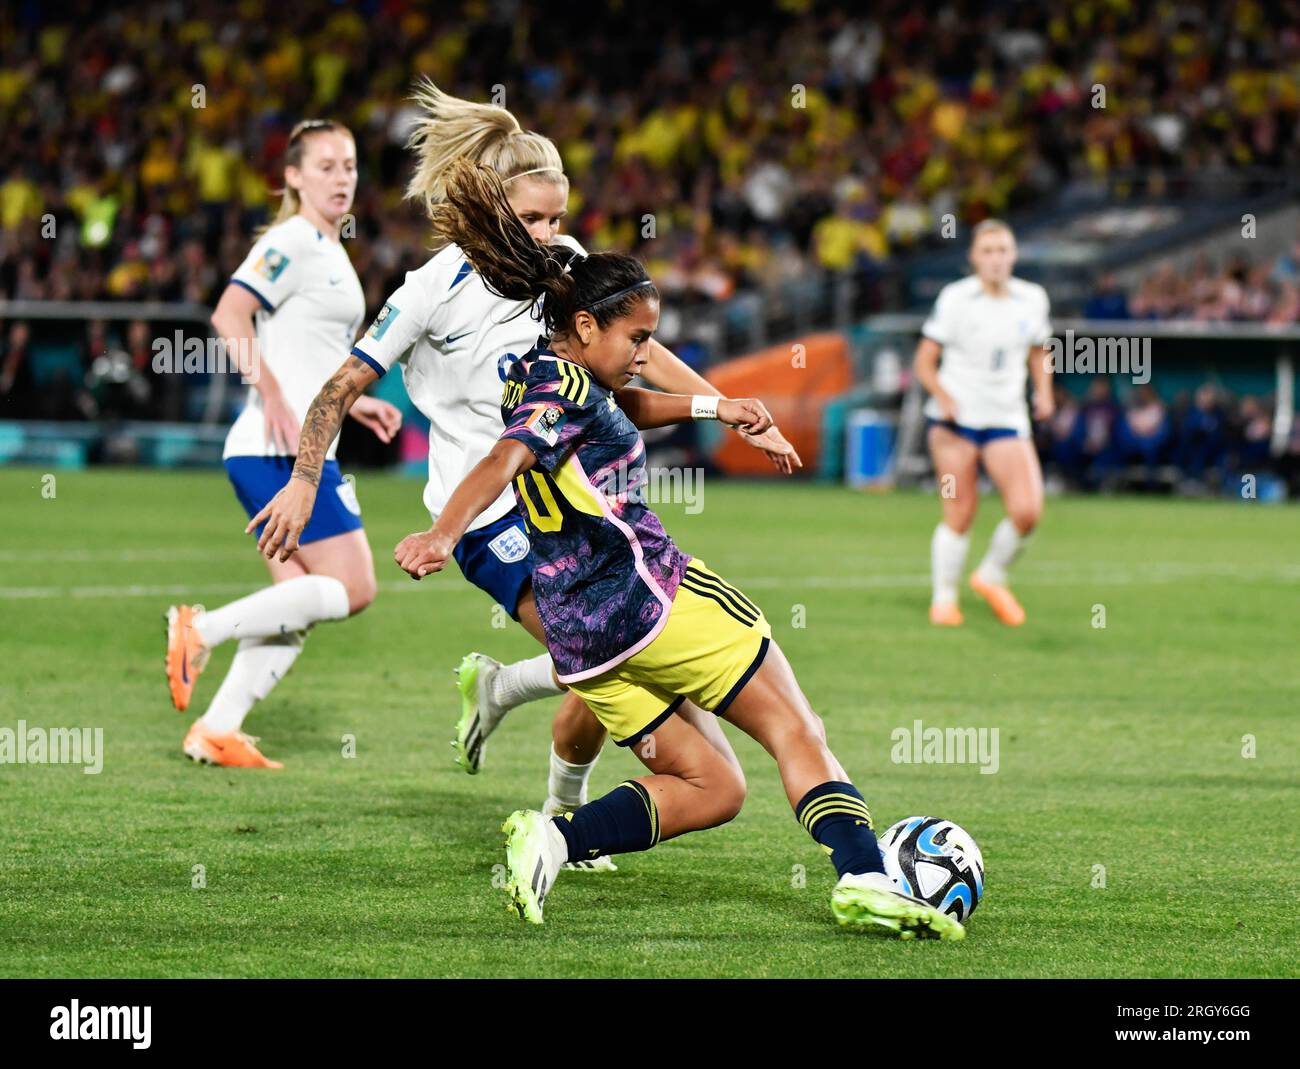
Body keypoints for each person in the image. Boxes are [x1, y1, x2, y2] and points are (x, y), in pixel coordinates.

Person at [372, 160, 964, 938]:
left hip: (590, 644)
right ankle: (863, 874)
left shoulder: (540, 377)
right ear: (587, 327)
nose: (645, 348)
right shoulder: (567, 391)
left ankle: (556, 835)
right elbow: (501, 460)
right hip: (657, 598)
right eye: (638, 337)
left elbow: (620, 407)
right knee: (795, 726)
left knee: (714, 785)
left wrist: (718, 406)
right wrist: (442, 532)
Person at [244, 84, 799, 863]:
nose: (548, 237)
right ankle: (562, 818)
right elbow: (339, 387)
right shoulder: (432, 292)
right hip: (483, 516)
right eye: (531, 218)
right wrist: (305, 479)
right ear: (492, 207)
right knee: (620, 654)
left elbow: (640, 348)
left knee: (619, 651)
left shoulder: (565, 269)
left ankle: (538, 770)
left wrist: (724, 403)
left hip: (566, 494)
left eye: (556, 219)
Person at [163, 119, 401, 768]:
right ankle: (198, 629)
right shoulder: (294, 240)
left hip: (292, 444)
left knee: (291, 612)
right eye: (325, 165)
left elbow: (312, 355)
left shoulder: (330, 249)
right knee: (354, 587)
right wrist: (269, 392)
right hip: (277, 448)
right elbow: (228, 314)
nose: (341, 177)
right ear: (293, 177)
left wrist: (359, 400)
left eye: (349, 165)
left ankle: (216, 728)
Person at [913, 219, 1052, 627]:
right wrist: (943, 397)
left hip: (1007, 418)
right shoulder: (956, 299)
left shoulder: (1032, 299)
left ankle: (991, 575)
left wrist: (1043, 391)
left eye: (1003, 250)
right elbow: (924, 362)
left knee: (1027, 512)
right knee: (960, 512)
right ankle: (944, 599)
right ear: (974, 257)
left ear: (1013, 255)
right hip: (956, 421)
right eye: (987, 251)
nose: (996, 259)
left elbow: (1039, 352)